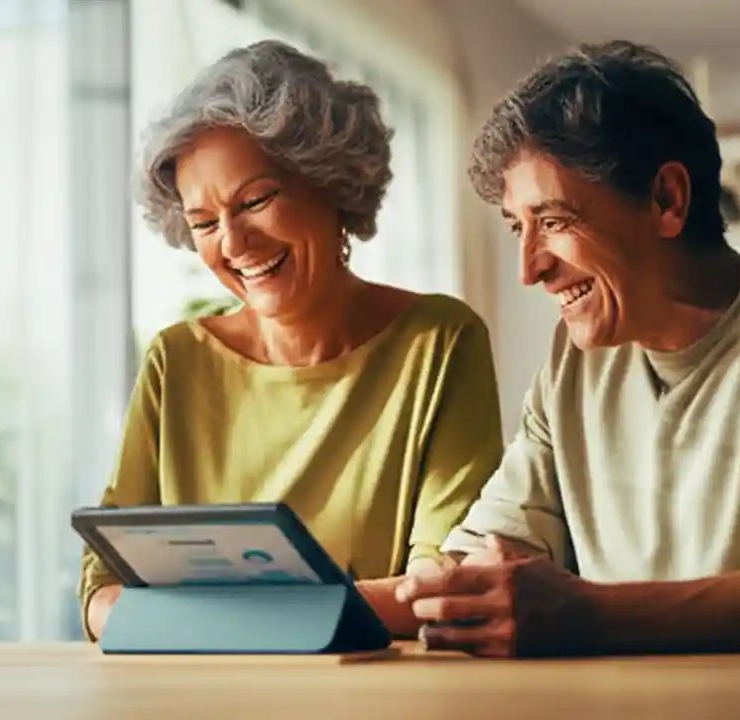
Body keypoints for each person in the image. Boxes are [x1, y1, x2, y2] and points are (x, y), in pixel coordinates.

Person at [396, 40, 740, 656]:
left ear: (667, 200)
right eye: (516, 228)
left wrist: (588, 616)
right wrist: (310, 595)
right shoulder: (575, 361)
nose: (529, 269)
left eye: (552, 222)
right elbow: (483, 558)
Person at [78, 40, 503, 641]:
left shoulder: (438, 342)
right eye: (202, 223)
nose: (232, 244)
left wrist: (205, 619)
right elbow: (101, 589)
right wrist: (284, 618)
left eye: (255, 201)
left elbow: (443, 583)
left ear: (332, 183)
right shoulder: (175, 360)